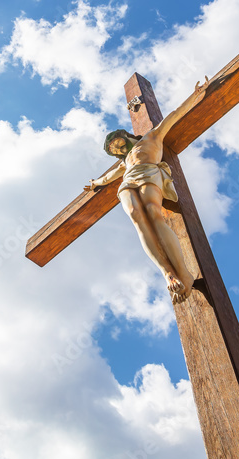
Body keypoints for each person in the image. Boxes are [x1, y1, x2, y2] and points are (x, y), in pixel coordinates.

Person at [84, 84, 207, 303]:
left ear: (124, 136)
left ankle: (184, 274)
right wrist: (95, 183)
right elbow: (107, 178)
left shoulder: (151, 138)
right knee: (136, 216)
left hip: (149, 173)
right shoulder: (123, 163)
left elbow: (173, 116)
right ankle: (167, 272)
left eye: (117, 143)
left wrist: (195, 95)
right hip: (128, 181)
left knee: (152, 213)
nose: (117, 149)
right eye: (113, 150)